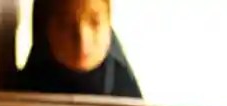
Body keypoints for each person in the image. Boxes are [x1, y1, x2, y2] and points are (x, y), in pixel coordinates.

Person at [13, 0, 143, 99]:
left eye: (95, 22)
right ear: (45, 28)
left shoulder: (127, 97)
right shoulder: (20, 100)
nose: (82, 41)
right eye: (64, 24)